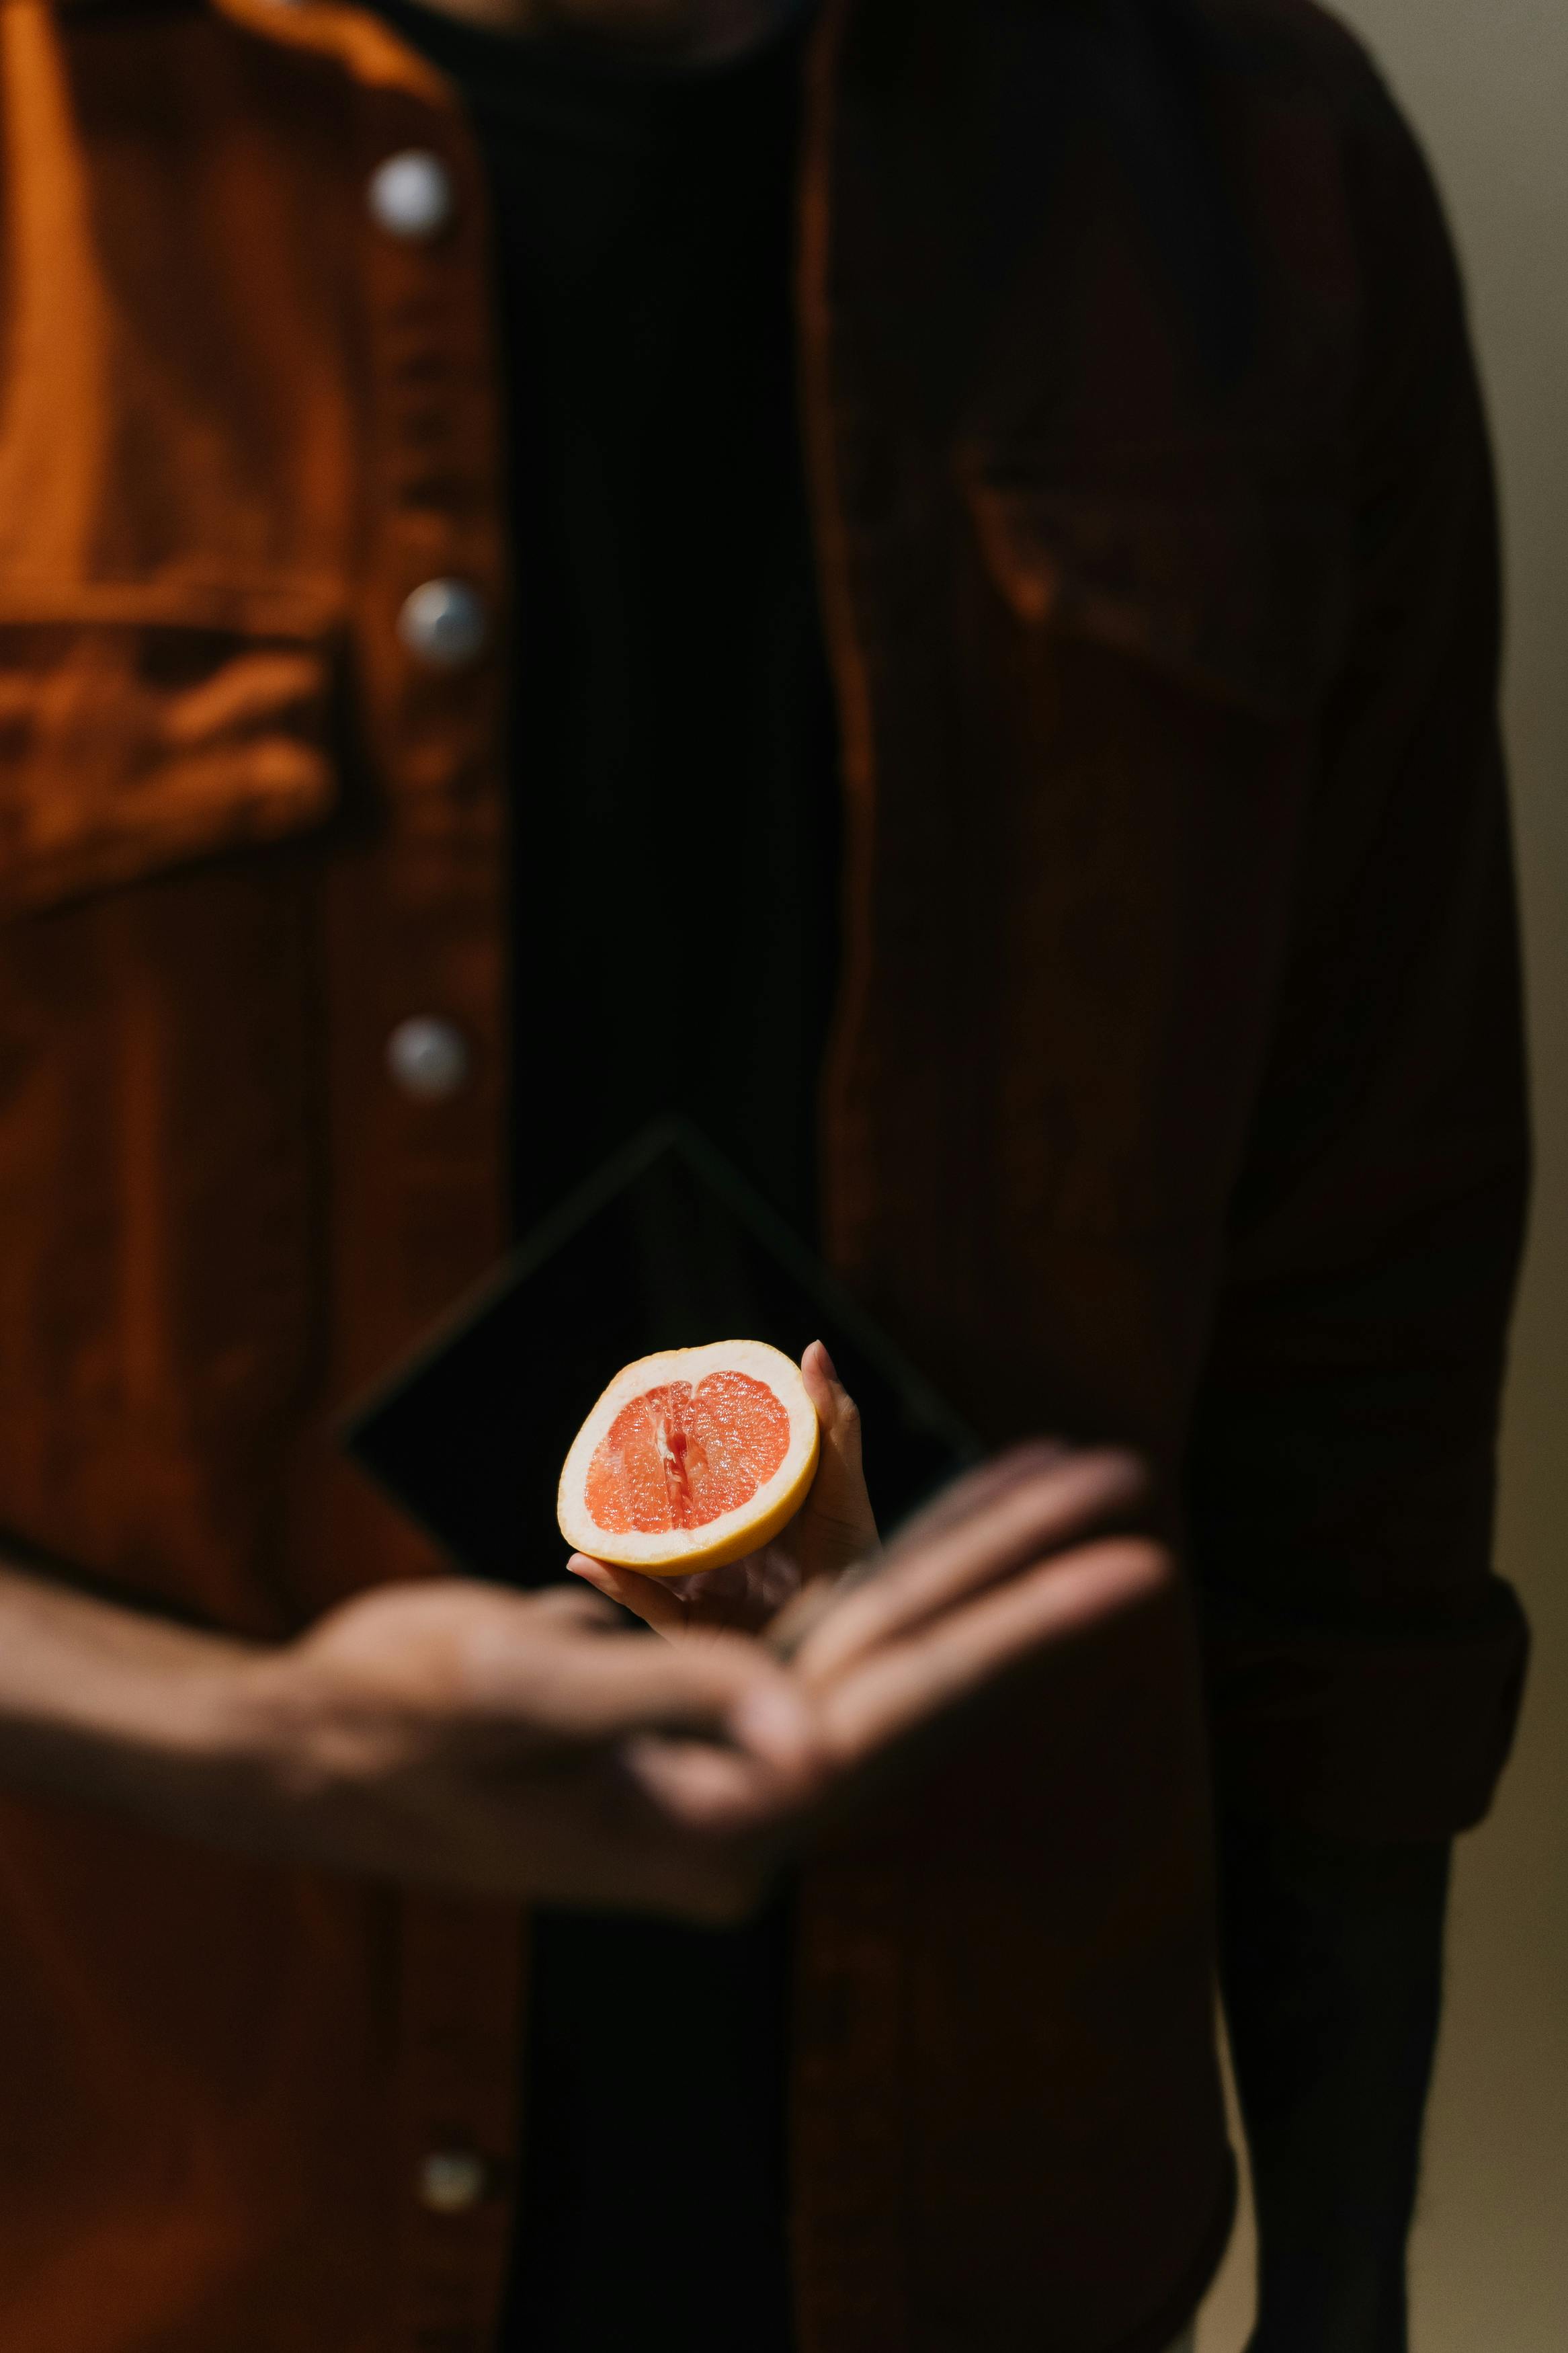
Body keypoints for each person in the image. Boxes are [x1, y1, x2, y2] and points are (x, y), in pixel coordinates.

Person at [0, 0, 1528, 2348]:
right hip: (146, 2235)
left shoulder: (1264, 170)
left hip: (982, 2240)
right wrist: (257, 1744)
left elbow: (1364, 1373)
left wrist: (1348, 2278)